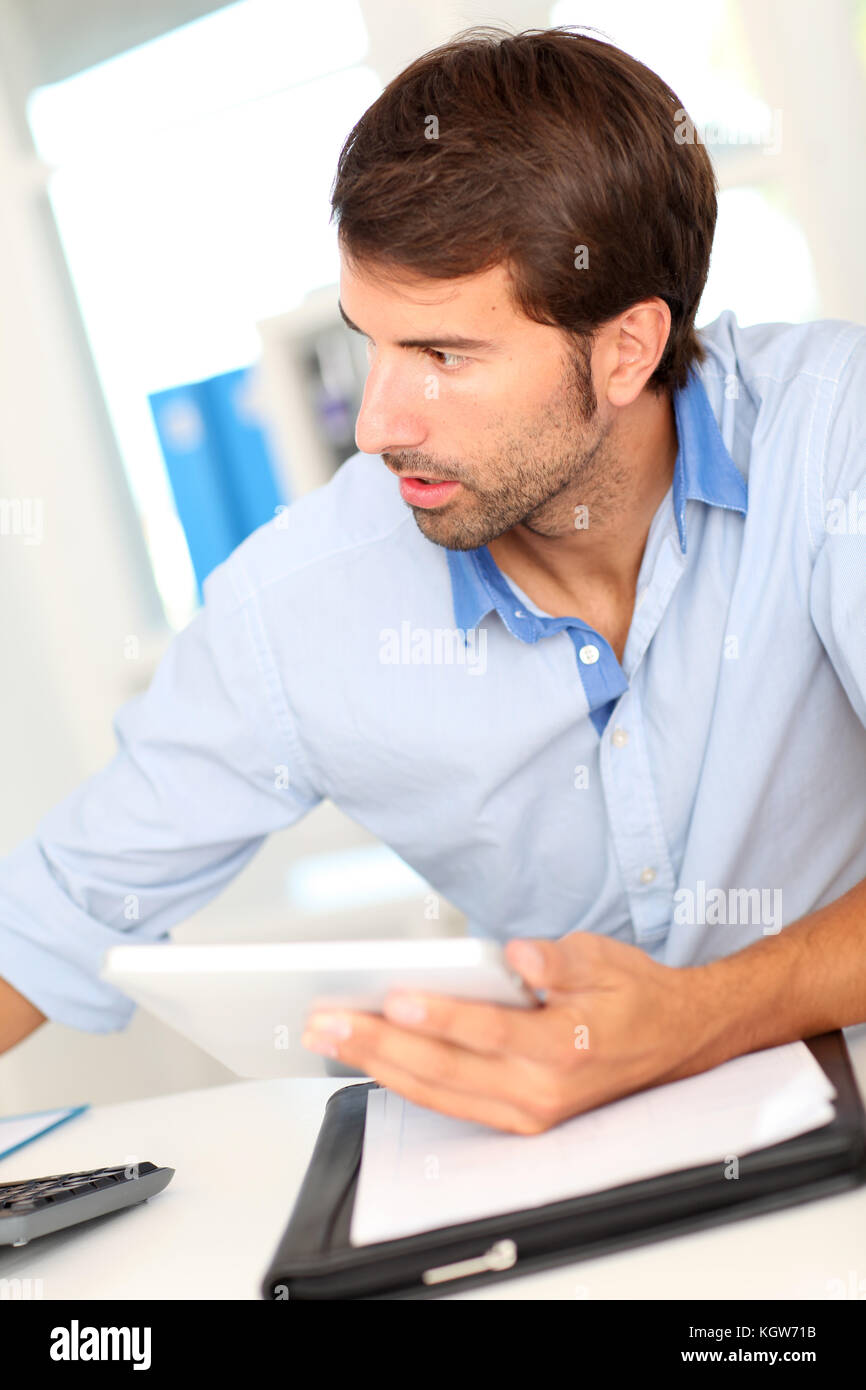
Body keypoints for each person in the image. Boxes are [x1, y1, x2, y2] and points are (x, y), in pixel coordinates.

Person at [1, 26, 865, 1134]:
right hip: (565, 1164)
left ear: (626, 349)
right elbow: (51, 917)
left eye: (443, 356)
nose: (373, 426)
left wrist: (697, 1017)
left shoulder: (831, 437)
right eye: (370, 341)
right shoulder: (297, 605)